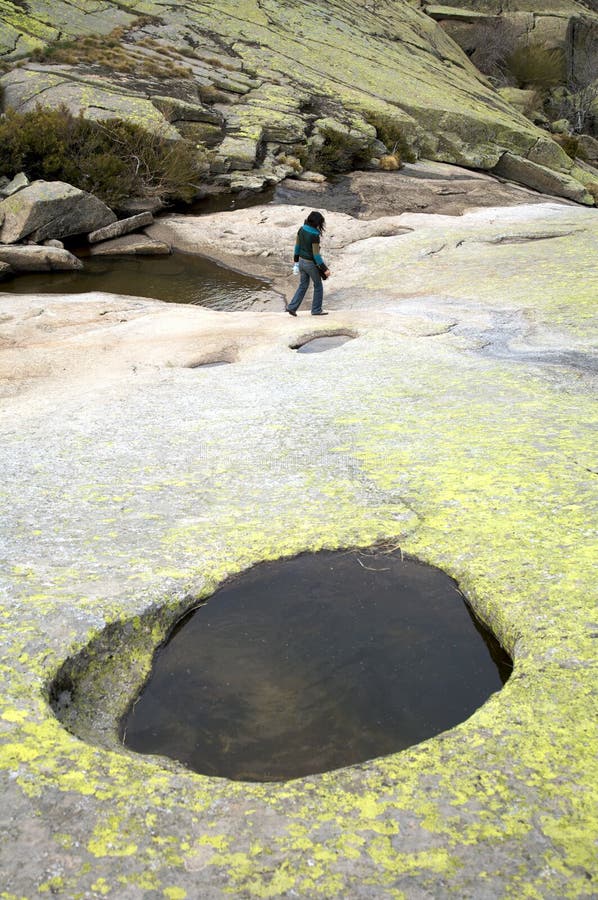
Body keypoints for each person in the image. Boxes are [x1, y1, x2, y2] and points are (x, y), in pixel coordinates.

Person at [286, 211, 331, 316]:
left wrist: (296, 260)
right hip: (310, 264)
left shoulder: (301, 229)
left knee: (303, 285)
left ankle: (292, 307)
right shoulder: (314, 234)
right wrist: (325, 269)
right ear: (317, 222)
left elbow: (297, 246)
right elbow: (316, 255)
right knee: (318, 285)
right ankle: (316, 310)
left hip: (301, 262)